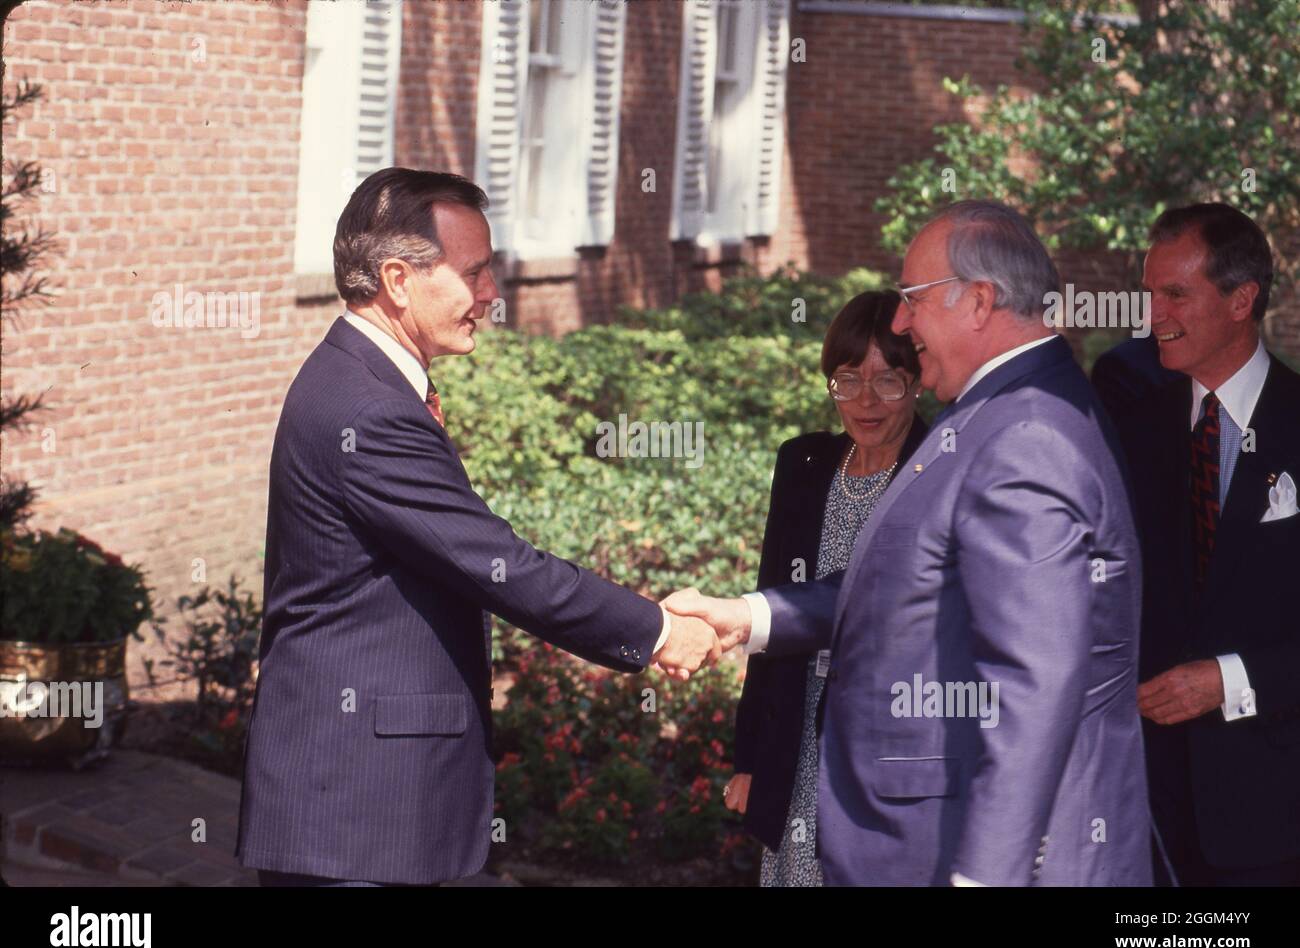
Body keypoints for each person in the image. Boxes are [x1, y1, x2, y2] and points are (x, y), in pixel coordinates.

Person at [236, 168, 718, 887]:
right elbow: (498, 563)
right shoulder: (367, 411)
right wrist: (656, 629)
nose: (492, 295)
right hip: (355, 814)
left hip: (357, 805)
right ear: (398, 279)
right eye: (475, 273)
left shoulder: (361, 380)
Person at [667, 201, 1151, 886]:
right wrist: (751, 616)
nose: (899, 321)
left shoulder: (1027, 436)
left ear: (979, 300)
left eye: (912, 300)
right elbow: (912, 585)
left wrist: (984, 876)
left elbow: (1035, 682)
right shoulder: (997, 413)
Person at [1099, 203, 1300, 886]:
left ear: (1242, 299)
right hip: (1147, 819)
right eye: (1149, 294)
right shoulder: (1132, 429)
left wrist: (1232, 680)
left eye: (1175, 294)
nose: (1154, 313)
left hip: (1280, 821)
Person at [726, 290, 928, 886]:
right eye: (847, 379)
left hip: (887, 750)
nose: (865, 401)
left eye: (888, 380)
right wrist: (749, 758)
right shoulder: (803, 465)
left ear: (918, 380)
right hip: (795, 740)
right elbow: (774, 611)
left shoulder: (939, 467)